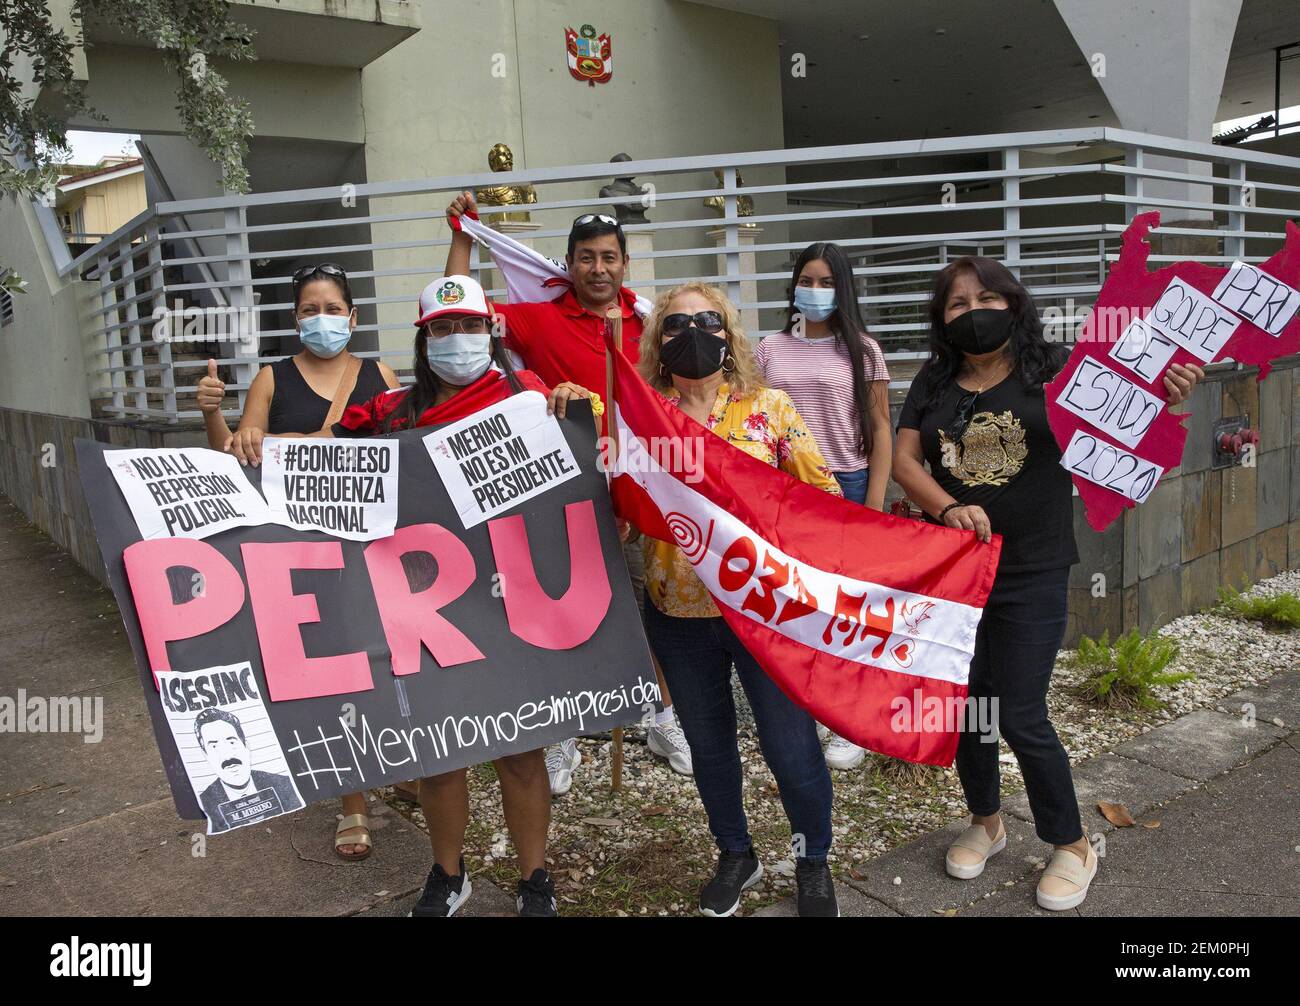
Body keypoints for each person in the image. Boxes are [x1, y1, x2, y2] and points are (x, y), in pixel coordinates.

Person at [892, 256, 1203, 911]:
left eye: (986, 297)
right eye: (955, 303)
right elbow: (903, 459)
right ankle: (986, 822)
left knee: (1019, 709)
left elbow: (1128, 420)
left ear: (1014, 304)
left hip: (1032, 570)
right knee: (966, 705)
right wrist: (946, 508)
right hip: (953, 572)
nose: (971, 310)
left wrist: (1168, 398)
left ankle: (1071, 843)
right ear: (940, 319)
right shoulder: (935, 377)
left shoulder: (1054, 367)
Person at [326, 273, 592, 917]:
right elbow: (323, 472)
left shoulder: (529, 396)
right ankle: (449, 875)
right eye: (442, 329)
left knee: (523, 752)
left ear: (490, 331)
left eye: (470, 325)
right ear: (424, 340)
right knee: (439, 755)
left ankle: (536, 881)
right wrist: (242, 439)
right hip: (426, 610)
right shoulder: (388, 413)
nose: (458, 339)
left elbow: (588, 467)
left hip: (509, 604)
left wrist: (576, 407)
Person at [445, 191, 692, 793]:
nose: (599, 269)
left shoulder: (653, 324)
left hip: (641, 488)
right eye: (586, 257)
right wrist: (463, 236)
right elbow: (460, 311)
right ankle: (559, 734)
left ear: (625, 263)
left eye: (609, 257)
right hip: (561, 492)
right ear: (570, 263)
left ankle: (659, 715)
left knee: (643, 612)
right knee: (558, 607)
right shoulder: (541, 318)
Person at [634, 282, 843, 918]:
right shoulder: (640, 417)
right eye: (675, 325)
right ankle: (736, 853)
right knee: (709, 745)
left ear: (729, 335)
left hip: (764, 614)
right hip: (676, 614)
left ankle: (812, 861)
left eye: (707, 320)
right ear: (657, 344)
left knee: (790, 745)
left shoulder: (770, 409)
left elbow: (824, 498)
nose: (692, 332)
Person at [196, 262, 398, 860]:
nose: (322, 319)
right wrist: (213, 413)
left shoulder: (381, 375)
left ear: (353, 317)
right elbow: (234, 459)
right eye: (310, 310)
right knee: (334, 673)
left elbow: (399, 454)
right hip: (299, 555)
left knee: (386, 666)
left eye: (333, 309)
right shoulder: (271, 379)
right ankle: (353, 801)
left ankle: (403, 760)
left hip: (370, 550)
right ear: (294, 321)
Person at [757, 241, 892, 772]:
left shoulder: (862, 349)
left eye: (824, 281)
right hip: (788, 489)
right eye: (805, 280)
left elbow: (881, 426)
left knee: (849, 603)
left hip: (849, 482)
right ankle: (807, 707)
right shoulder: (769, 349)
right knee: (798, 600)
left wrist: (875, 499)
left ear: (843, 288)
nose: (813, 291)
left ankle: (850, 719)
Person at [194, 708, 303, 833]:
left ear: (246, 746)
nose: (227, 755)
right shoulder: (205, 803)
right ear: (205, 755)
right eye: (214, 746)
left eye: (231, 742)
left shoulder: (284, 785)